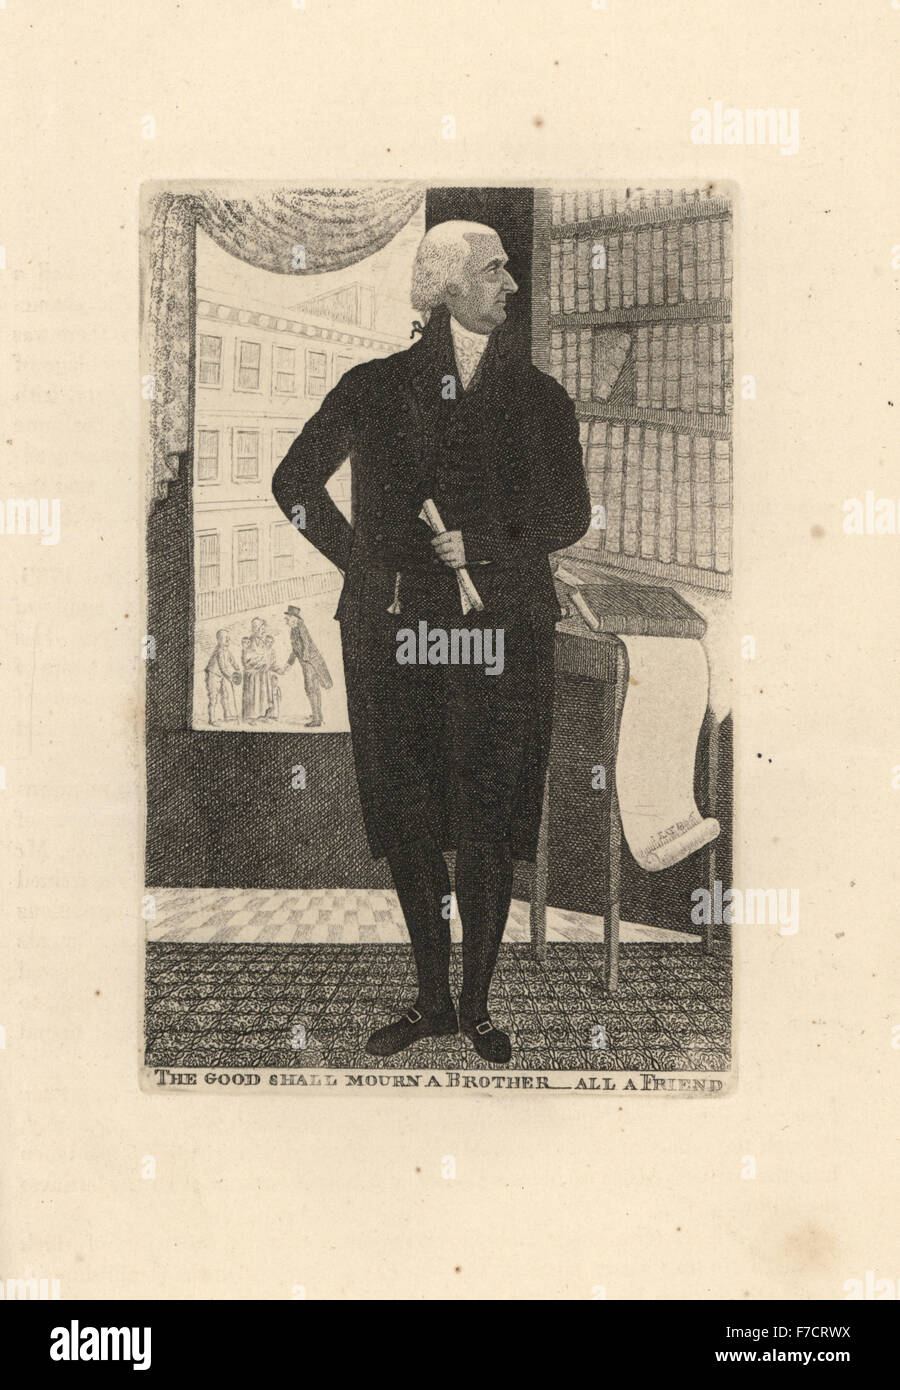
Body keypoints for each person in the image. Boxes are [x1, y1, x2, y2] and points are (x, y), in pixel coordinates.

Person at [272, 220, 591, 1063]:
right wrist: (364, 566)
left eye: (509, 272)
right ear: (447, 285)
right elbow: (292, 483)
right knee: (411, 818)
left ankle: (478, 1006)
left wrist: (483, 542)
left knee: (489, 821)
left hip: (504, 635)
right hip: (397, 631)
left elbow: (571, 515)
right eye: (493, 272)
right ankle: (430, 1002)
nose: (511, 286)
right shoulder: (374, 386)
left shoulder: (541, 397)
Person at [277, 604, 333, 727]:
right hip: (306, 663)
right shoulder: (293, 630)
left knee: (311, 689)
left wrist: (306, 659)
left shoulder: (301, 627)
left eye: (287, 618)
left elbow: (306, 643)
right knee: (311, 689)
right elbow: (295, 651)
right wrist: (287, 665)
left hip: (310, 663)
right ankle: (317, 714)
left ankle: (317, 719)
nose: (286, 620)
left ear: (294, 618)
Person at [241, 617, 279, 723]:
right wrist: (260, 662)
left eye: (264, 629)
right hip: (253, 674)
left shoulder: (263, 642)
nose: (264, 631)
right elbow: (246, 658)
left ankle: (262, 714)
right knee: (253, 694)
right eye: (262, 629)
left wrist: (267, 663)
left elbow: (267, 655)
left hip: (262, 673)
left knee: (262, 694)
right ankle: (251, 717)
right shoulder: (250, 641)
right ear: (256, 629)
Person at [205, 628, 242, 725]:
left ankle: (227, 714)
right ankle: (212, 719)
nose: (228, 640)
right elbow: (222, 668)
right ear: (219, 640)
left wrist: (237, 668)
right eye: (226, 638)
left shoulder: (226, 651)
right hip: (213, 675)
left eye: (228, 638)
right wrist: (231, 677)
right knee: (213, 697)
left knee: (225, 694)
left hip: (221, 675)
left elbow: (232, 660)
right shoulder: (219, 652)